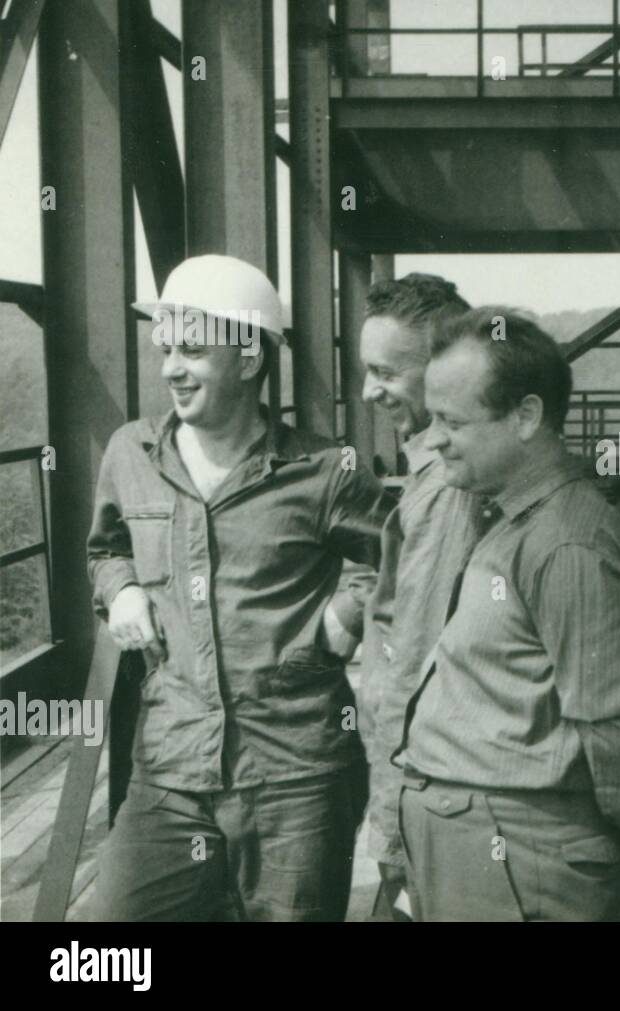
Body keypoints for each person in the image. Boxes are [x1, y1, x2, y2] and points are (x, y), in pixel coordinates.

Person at [89, 254, 393, 920]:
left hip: (294, 776)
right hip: (170, 768)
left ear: (250, 358)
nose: (171, 366)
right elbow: (105, 547)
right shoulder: (130, 455)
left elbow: (403, 551)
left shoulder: (324, 471)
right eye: (166, 346)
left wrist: (348, 611)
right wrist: (122, 589)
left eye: (193, 349)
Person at [395, 308, 620, 921]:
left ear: (526, 416)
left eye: (450, 421)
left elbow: (617, 722)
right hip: (485, 846)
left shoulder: (565, 544)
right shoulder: (508, 517)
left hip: (518, 856)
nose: (434, 438)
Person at [350, 273, 480, 917]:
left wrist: (392, 829)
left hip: (433, 795)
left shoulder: (447, 491)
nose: (368, 391)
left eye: (385, 373)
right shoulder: (446, 473)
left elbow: (414, 671)